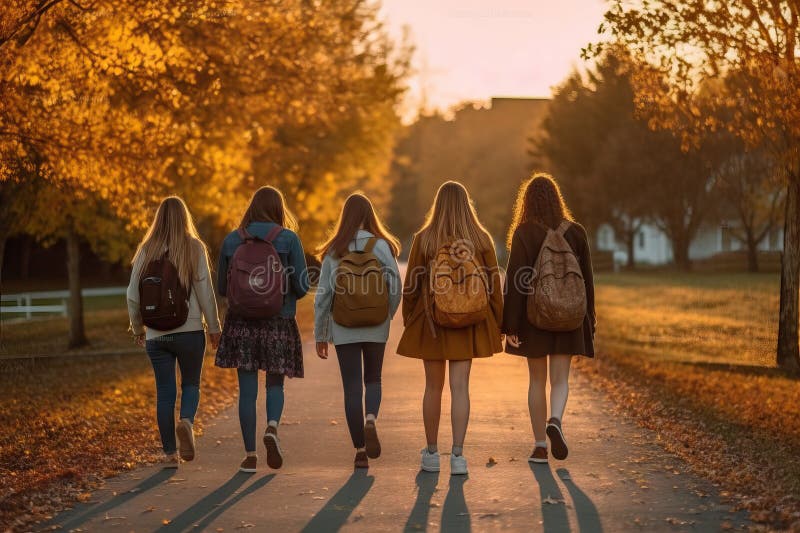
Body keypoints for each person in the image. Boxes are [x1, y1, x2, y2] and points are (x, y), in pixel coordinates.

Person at [397, 181, 504, 475]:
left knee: (433, 387)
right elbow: (494, 285)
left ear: (438, 205)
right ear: (466, 204)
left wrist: (411, 320)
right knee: (461, 389)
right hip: (468, 323)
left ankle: (431, 454)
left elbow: (412, 288)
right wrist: (498, 322)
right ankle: (458, 456)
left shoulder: (425, 238)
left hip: (432, 323)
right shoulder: (480, 238)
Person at [502, 173, 596, 463]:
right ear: (557, 199)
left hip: (534, 319)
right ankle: (555, 420)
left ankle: (540, 446)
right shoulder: (576, 232)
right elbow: (587, 281)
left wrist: (510, 325)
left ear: (527, 201)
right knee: (560, 380)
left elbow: (516, 282)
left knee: (536, 381)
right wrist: (588, 320)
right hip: (569, 318)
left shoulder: (524, 233)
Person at [215, 186, 310, 473]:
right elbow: (303, 286)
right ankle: (272, 427)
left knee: (246, 391)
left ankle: (249, 456)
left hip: (241, 323)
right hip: (278, 321)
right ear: (279, 209)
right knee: (274, 383)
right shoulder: (288, 239)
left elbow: (222, 287)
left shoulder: (233, 240)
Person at [127, 196, 222, 468]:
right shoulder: (194, 247)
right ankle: (187, 422)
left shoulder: (146, 250)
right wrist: (214, 328)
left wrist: (138, 329)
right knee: (191, 383)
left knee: (165, 392)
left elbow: (133, 296)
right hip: (190, 331)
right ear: (185, 218)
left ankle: (169, 454)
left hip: (157, 335)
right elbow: (205, 292)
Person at [314, 193, 402, 469]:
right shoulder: (382, 247)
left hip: (344, 325)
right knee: (373, 379)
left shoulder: (335, 249)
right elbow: (396, 285)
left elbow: (324, 295)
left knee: (352, 388)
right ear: (370, 216)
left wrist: (321, 334)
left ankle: (361, 451)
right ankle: (371, 418)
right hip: (376, 325)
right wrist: (386, 313)